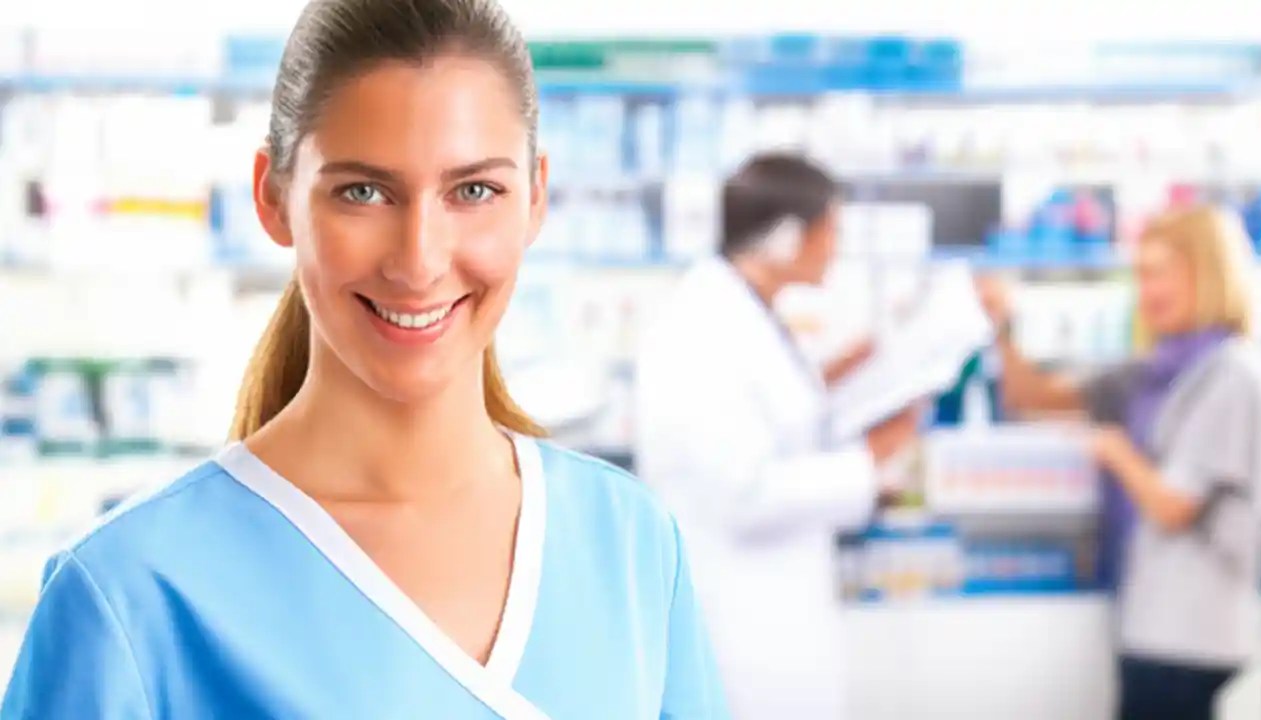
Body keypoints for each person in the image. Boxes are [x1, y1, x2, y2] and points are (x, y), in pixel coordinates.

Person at [0, 1, 729, 718]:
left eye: (475, 190)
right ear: (273, 196)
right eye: (364, 192)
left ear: (535, 197)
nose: (419, 261)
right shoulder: (131, 594)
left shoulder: (630, 545)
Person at [634, 153, 921, 720]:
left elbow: (770, 411)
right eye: (830, 230)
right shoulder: (703, 327)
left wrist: (846, 371)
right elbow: (744, 493)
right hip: (739, 622)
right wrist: (871, 458)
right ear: (787, 236)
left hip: (773, 611)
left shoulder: (743, 309)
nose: (835, 247)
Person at [979, 205, 1261, 720]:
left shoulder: (1233, 373)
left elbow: (1174, 505)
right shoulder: (1152, 373)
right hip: (1154, 624)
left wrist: (1115, 451)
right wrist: (1003, 324)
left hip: (1190, 633)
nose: (1147, 291)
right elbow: (1031, 396)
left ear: (1208, 274)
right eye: (1140, 274)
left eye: (1161, 273)